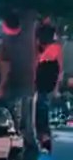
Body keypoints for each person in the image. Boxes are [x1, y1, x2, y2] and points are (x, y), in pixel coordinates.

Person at [0, 12, 39, 160]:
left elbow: (6, 67)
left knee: (10, 115)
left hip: (14, 84)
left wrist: (1, 87)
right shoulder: (27, 33)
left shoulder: (6, 43)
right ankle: (30, 144)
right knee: (26, 117)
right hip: (28, 82)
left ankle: (15, 144)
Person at [35, 22, 62, 152]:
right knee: (43, 111)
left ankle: (44, 138)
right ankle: (44, 138)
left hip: (43, 86)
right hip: (45, 86)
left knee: (42, 111)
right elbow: (59, 69)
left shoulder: (51, 49)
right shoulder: (54, 49)